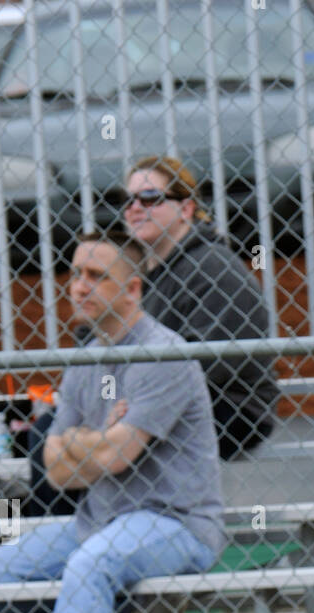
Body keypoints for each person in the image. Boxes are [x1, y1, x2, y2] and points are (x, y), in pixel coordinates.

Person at [0, 229, 224, 613]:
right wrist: (97, 440)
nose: (78, 287)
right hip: (98, 517)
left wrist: (83, 445)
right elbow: (56, 472)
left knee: (92, 564)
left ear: (132, 288)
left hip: (175, 522)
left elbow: (112, 459)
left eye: (96, 277)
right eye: (74, 274)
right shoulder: (86, 359)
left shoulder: (164, 355)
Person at [123, 155, 278, 460]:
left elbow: (208, 364)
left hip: (231, 410)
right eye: (129, 200)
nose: (135, 208)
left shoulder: (211, 266)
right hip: (171, 399)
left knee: (98, 436)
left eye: (151, 198)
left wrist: (133, 398)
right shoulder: (149, 272)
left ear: (186, 208)